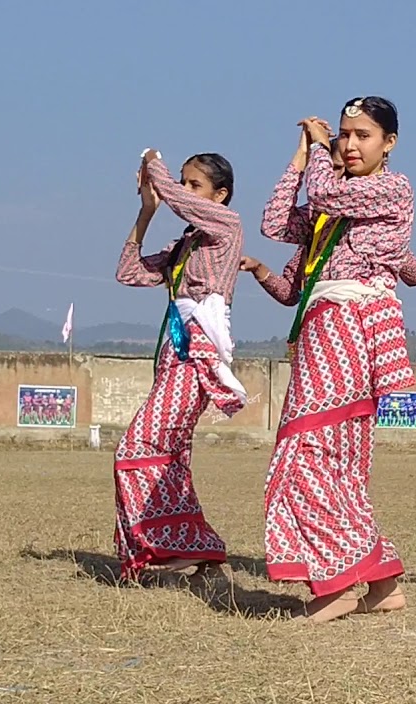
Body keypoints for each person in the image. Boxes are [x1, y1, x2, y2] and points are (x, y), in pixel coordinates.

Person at [260, 97, 416, 623]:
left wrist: (322, 153)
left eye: (362, 136)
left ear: (388, 143)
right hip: (322, 322)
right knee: (331, 458)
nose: (349, 145)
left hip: (349, 323)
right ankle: (380, 581)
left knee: (306, 451)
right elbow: (275, 221)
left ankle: (338, 580)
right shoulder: (334, 199)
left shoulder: (393, 187)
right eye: (344, 135)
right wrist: (301, 154)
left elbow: (327, 191)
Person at [112, 148, 248, 581]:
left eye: (196, 185)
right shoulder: (184, 244)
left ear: (220, 195)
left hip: (198, 353)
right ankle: (196, 550)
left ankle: (166, 550)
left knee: (135, 449)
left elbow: (175, 197)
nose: (185, 193)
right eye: (183, 183)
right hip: (174, 352)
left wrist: (155, 165)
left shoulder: (227, 225)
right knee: (171, 456)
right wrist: (145, 212)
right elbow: (129, 273)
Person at [245, 137, 416, 299]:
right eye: (328, 169)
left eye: (340, 168)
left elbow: (415, 275)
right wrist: (301, 157)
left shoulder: (374, 220)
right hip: (319, 324)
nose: (334, 176)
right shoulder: (319, 222)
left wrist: (386, 244)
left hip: (362, 320)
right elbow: (273, 224)